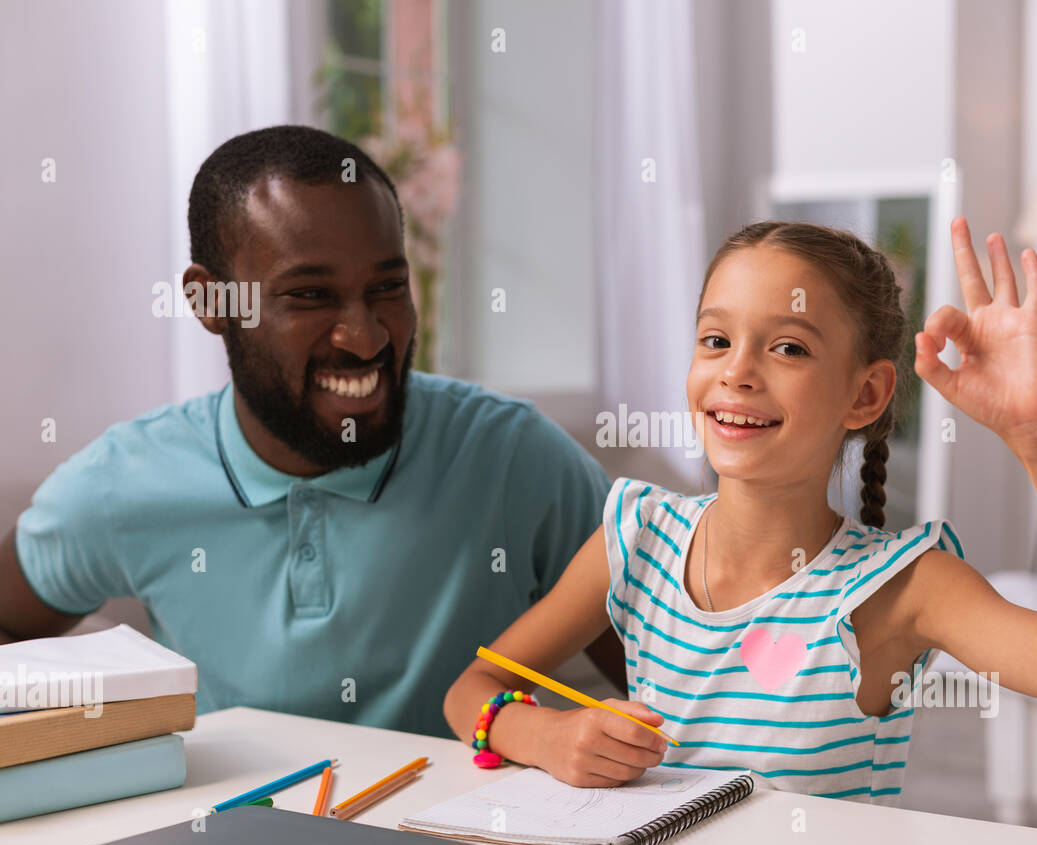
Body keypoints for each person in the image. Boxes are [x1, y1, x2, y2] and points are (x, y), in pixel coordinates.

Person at [445, 217, 1037, 805]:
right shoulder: (637, 537)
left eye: (787, 347)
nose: (737, 370)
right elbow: (470, 689)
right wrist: (549, 739)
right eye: (716, 340)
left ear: (866, 396)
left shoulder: (902, 589)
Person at [0, 125, 621, 739]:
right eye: (310, 295)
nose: (366, 336)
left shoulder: (512, 457)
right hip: (234, 834)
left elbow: (678, 683)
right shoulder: (123, 483)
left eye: (386, 287)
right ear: (211, 303)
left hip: (465, 838)